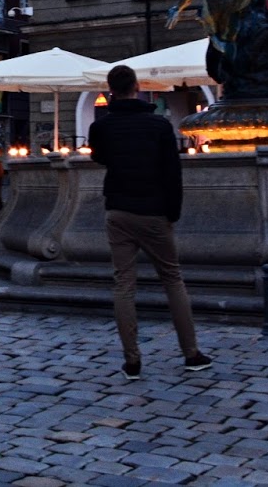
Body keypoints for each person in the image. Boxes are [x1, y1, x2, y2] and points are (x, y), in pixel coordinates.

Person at [89, 64, 212, 379]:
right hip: (154, 210)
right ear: (137, 87)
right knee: (172, 279)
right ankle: (191, 353)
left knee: (123, 283)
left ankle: (132, 360)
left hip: (118, 210)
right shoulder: (158, 126)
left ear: (110, 90)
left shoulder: (101, 126)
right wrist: (173, 211)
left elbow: (99, 157)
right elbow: (173, 173)